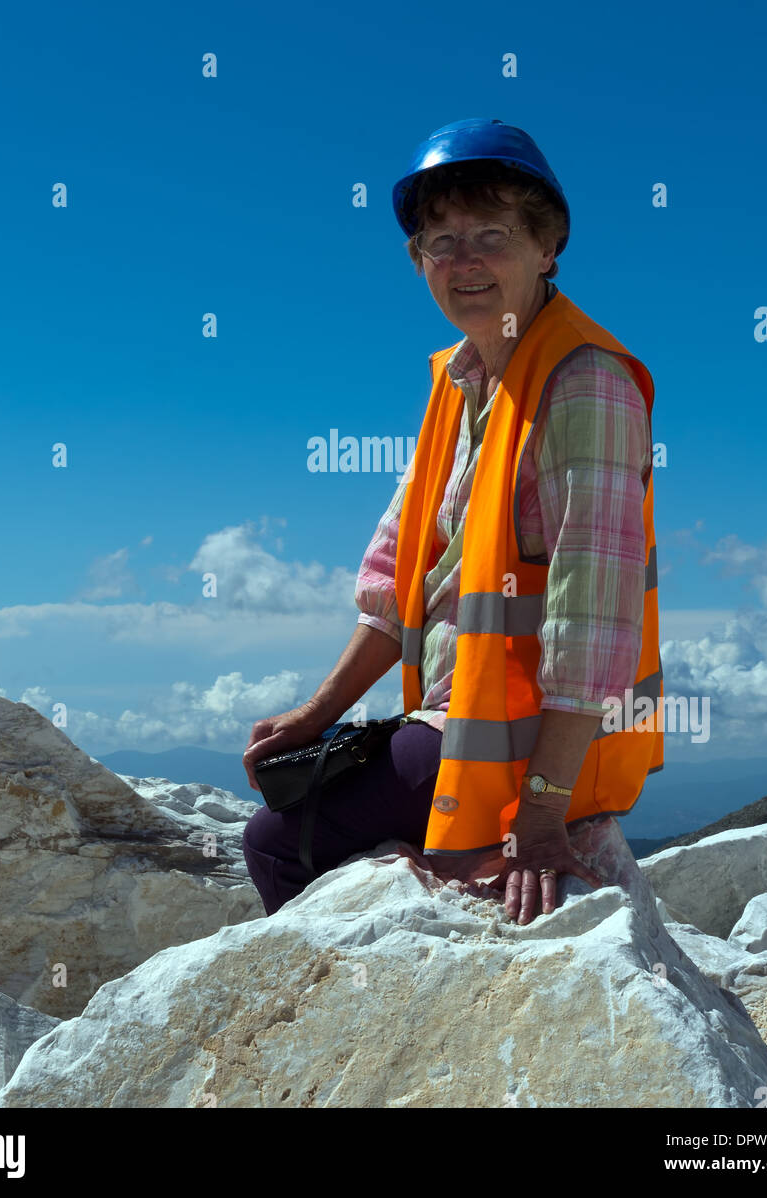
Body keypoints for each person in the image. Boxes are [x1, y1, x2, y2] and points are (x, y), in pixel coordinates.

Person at [242, 117, 663, 925]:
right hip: (463, 721)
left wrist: (539, 818)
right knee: (293, 784)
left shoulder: (582, 383)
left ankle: (351, 1034)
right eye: (439, 242)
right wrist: (315, 714)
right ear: (417, 264)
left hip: (535, 746)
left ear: (547, 248)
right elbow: (398, 582)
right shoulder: (461, 386)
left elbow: (593, 619)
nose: (462, 261)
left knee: (274, 839)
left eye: (491, 235)